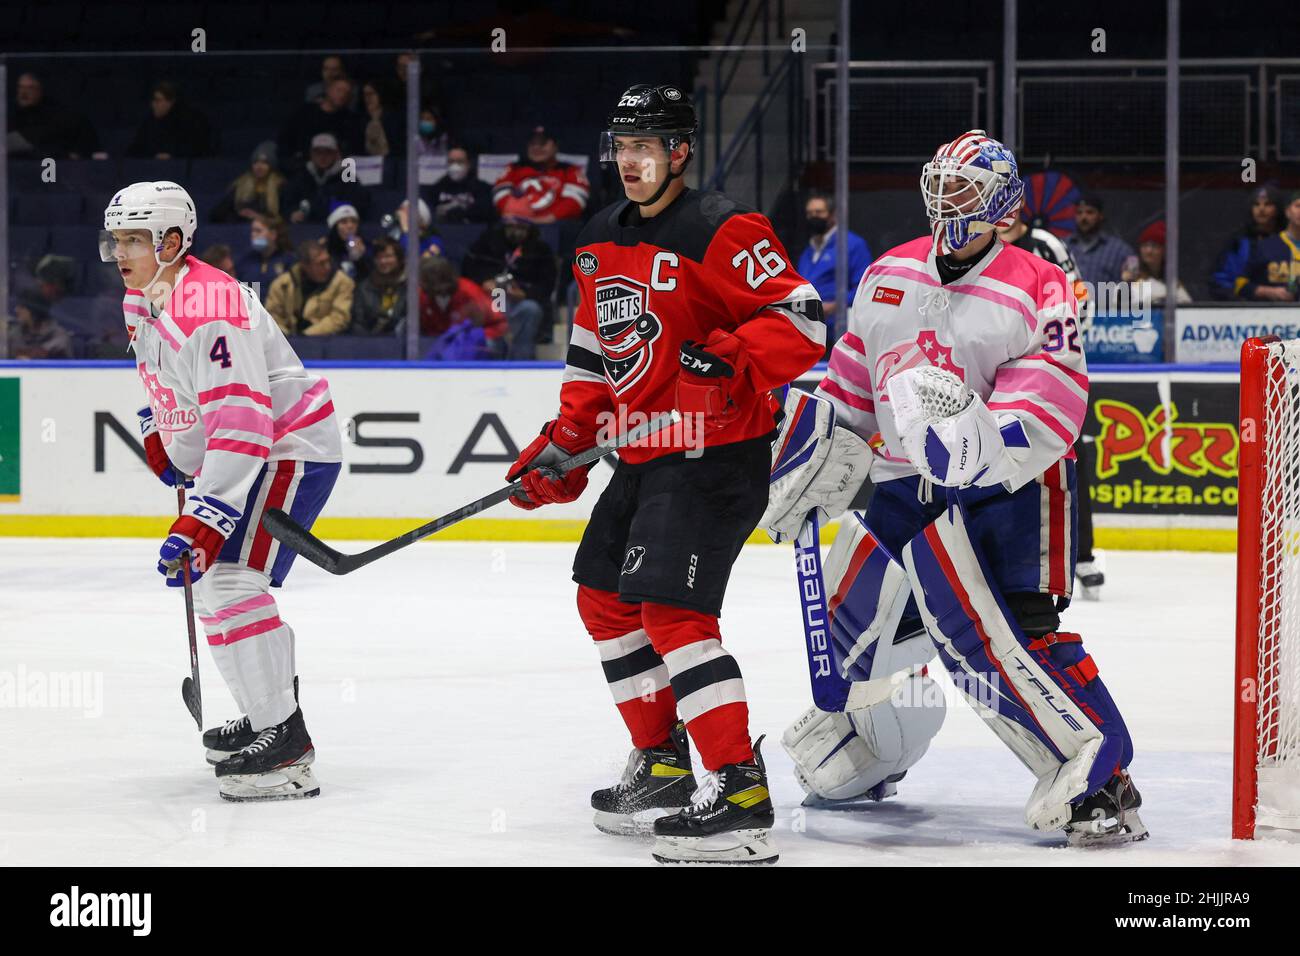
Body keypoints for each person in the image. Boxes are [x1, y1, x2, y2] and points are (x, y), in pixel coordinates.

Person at [764, 129, 1145, 849]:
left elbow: (1053, 396)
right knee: (856, 616)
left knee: (1009, 636)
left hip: (1012, 489)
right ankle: (878, 747)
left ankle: (1104, 781)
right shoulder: (887, 273)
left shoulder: (1039, 282)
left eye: (966, 188)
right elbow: (854, 373)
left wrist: (982, 442)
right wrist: (823, 444)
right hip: (903, 480)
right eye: (940, 184)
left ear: (1003, 202)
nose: (948, 200)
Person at [506, 84, 824, 865]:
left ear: (681, 152)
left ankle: (740, 789)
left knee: (672, 616)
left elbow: (804, 321)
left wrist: (731, 359)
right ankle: (662, 765)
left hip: (717, 456)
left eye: (647, 147)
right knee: (605, 600)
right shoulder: (597, 238)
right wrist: (565, 441)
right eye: (622, 146)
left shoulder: (725, 229)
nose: (631, 161)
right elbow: (593, 355)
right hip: (643, 457)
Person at [99, 181, 341, 801]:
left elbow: (243, 421)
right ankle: (266, 718)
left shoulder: (208, 308)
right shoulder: (141, 298)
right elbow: (165, 385)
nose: (121, 252)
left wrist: (206, 517)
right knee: (209, 581)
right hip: (245, 450)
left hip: (286, 449)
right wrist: (164, 436)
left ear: (173, 241)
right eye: (116, 239)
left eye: (135, 239)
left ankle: (285, 743)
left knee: (230, 578)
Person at [996, 210, 1102, 598]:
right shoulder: (978, 247)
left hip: (1049, 371)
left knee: (1068, 457)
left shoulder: (1046, 246)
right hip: (993, 375)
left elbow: (1080, 304)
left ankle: (1083, 556)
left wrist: (1048, 354)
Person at [461, 205, 556, 359]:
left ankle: (522, 360)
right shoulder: (485, 244)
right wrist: (484, 283)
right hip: (488, 300)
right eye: (512, 227)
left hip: (520, 302)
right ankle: (492, 353)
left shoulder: (541, 250)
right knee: (485, 311)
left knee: (531, 309)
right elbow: (468, 272)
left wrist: (524, 293)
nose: (516, 232)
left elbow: (546, 285)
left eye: (521, 227)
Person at [796, 191, 872, 342]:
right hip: (808, 331)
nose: (814, 217)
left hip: (839, 332)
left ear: (832, 215)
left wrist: (833, 306)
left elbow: (864, 287)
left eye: (819, 212)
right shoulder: (809, 250)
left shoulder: (852, 245)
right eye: (810, 213)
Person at [492, 126, 589, 223]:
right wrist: (517, 217)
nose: (536, 147)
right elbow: (500, 196)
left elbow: (576, 200)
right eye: (532, 143)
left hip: (555, 227)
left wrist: (547, 219)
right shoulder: (513, 168)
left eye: (543, 143)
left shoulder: (570, 171)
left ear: (555, 146)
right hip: (515, 225)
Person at [265, 239, 355, 337]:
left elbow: (339, 318)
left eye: (328, 260)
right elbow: (272, 317)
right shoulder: (282, 284)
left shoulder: (342, 282)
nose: (327, 267)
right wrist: (286, 337)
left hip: (325, 342)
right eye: (321, 263)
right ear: (304, 265)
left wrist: (305, 336)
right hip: (287, 342)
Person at [1210, 186, 1284, 300]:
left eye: (1268, 204)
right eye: (1256, 204)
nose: (1261, 209)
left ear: (1278, 209)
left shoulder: (1288, 240)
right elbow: (1221, 279)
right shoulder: (1239, 242)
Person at [282, 133, 371, 224]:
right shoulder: (301, 176)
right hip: (306, 227)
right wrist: (292, 213)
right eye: (318, 152)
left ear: (336, 154)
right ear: (311, 154)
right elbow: (287, 203)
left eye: (328, 152)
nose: (322, 157)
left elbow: (358, 204)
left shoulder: (347, 177)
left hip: (337, 227)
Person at [9, 71, 99, 159]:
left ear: (41, 90)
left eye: (31, 88)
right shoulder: (13, 114)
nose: (24, 92)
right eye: (21, 87)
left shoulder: (58, 117)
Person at [1233, 190, 1300, 302]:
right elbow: (1239, 285)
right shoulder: (1265, 247)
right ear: (1288, 211)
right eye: (1298, 206)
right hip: (1272, 316)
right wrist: (1269, 292)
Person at [126, 80, 213, 159]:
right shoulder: (149, 123)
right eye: (153, 100)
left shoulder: (190, 121)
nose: (153, 105)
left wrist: (173, 156)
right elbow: (136, 149)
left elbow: (198, 149)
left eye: (158, 100)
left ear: (171, 102)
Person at [1065, 194, 1134, 291]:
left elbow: (1132, 284)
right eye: (1079, 213)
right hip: (1070, 305)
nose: (1084, 217)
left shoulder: (1120, 250)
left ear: (1100, 216)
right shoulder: (1063, 246)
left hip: (1105, 305)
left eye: (1090, 212)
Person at [1121, 220, 1191, 308]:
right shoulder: (1133, 275)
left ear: (1164, 251)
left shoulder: (1171, 279)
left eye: (1154, 246)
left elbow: (1186, 303)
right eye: (1145, 246)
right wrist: (1125, 283)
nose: (1149, 251)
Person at [210, 142, 286, 223]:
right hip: (241, 229)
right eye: (255, 162)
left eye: (264, 163)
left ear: (271, 166)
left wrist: (258, 217)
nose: (259, 166)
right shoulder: (241, 184)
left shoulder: (280, 186)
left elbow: (284, 218)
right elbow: (217, 214)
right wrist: (240, 214)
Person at [350, 237, 406, 335]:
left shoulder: (410, 287)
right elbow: (357, 323)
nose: (383, 261)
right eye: (379, 257)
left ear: (399, 259)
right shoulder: (364, 288)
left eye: (388, 256)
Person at [428, 145, 495, 223]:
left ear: (468, 164)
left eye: (460, 162)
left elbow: (485, 213)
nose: (455, 166)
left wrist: (463, 213)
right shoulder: (437, 188)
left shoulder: (482, 188)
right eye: (451, 162)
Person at [233, 213, 295, 295]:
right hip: (251, 306)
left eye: (258, 231)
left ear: (273, 234)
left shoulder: (289, 261)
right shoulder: (244, 261)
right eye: (252, 231)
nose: (253, 234)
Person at [8, 290, 73, 359]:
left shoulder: (59, 335)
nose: (16, 310)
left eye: (21, 307)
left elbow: (45, 354)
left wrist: (27, 357)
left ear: (33, 310)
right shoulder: (15, 333)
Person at [325, 203, 369, 282]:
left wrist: (361, 258)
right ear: (335, 227)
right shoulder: (325, 248)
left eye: (354, 222)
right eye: (344, 222)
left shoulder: (367, 246)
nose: (350, 226)